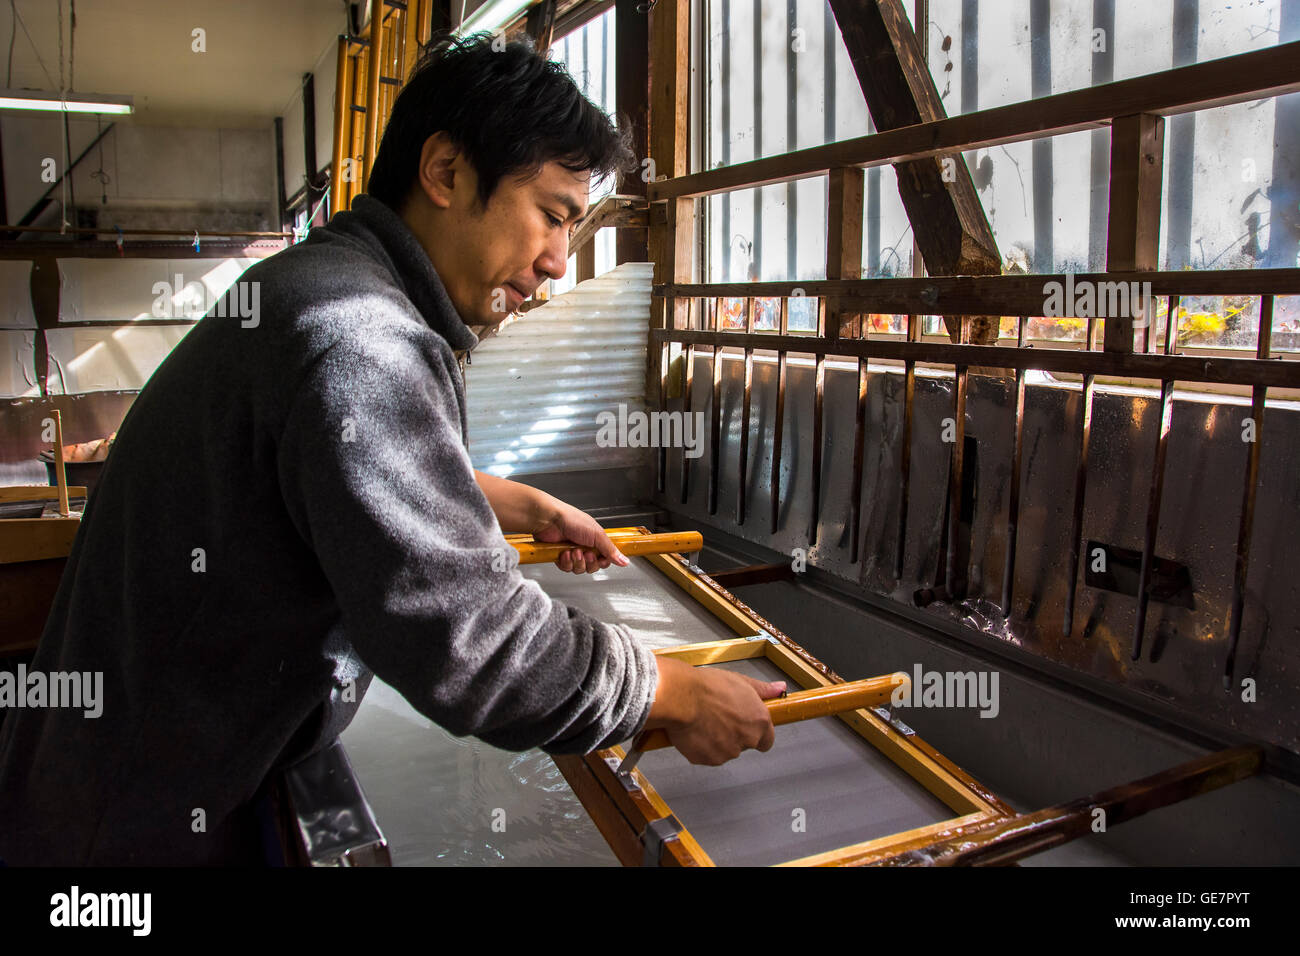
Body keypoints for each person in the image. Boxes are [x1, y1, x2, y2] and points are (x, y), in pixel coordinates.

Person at [0, 31, 782, 866]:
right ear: (444, 171)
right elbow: (472, 643)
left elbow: (308, 476)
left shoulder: (321, 287)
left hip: (118, 776)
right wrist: (669, 690)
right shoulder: (361, 337)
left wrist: (513, 501)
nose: (559, 261)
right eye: (552, 214)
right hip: (126, 831)